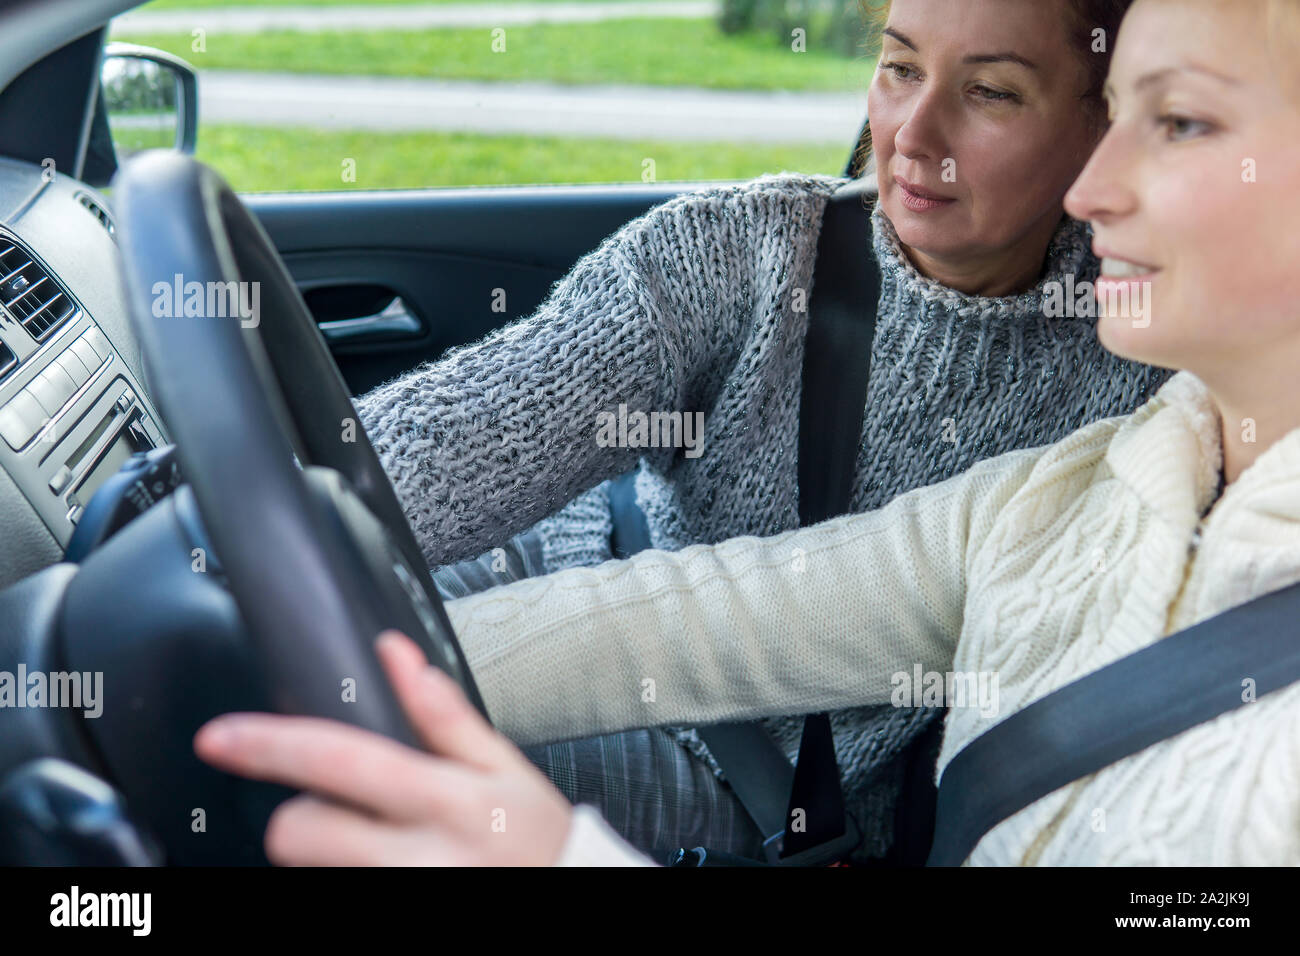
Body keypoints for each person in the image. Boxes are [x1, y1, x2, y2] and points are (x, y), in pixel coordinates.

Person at [195, 0, 1300, 866]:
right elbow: (681, 613)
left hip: (759, 782)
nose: (911, 136)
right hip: (573, 588)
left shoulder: (1124, 373)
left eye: (1179, 122)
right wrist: (278, 632)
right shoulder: (1078, 483)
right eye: (898, 64)